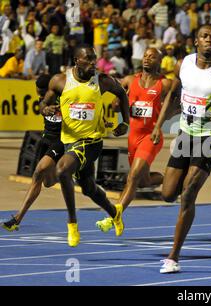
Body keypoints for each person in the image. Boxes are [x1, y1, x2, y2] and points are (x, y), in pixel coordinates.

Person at [151, 24, 211, 273]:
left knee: (188, 193)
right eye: (205, 36)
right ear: (196, 41)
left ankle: (173, 257)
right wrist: (159, 125)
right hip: (186, 132)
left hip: (209, 135)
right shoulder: (182, 64)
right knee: (167, 194)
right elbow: (173, 97)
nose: (209, 40)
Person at [40, 45, 130, 247]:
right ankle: (114, 212)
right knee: (89, 189)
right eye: (88, 59)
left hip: (91, 142)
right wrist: (46, 109)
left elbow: (122, 94)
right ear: (76, 60)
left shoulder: (102, 80)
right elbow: (41, 106)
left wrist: (125, 122)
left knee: (62, 171)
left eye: (94, 59)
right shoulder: (60, 81)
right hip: (69, 142)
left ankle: (72, 224)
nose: (93, 63)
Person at [95, 48, 170, 232]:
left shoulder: (165, 84)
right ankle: (173, 181)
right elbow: (115, 100)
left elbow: (175, 106)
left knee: (133, 176)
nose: (147, 58)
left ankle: (114, 215)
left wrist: (161, 121)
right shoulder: (130, 80)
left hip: (151, 137)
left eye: (152, 56)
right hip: (133, 138)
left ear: (159, 61)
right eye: (145, 55)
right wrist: (115, 107)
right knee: (142, 181)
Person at [2, 74, 64, 231]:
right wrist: (45, 108)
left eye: (42, 93)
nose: (41, 97)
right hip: (46, 140)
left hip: (61, 141)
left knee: (38, 172)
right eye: (39, 94)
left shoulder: (64, 95)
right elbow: (42, 108)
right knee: (47, 182)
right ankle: (64, 173)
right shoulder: (43, 100)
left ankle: (17, 218)